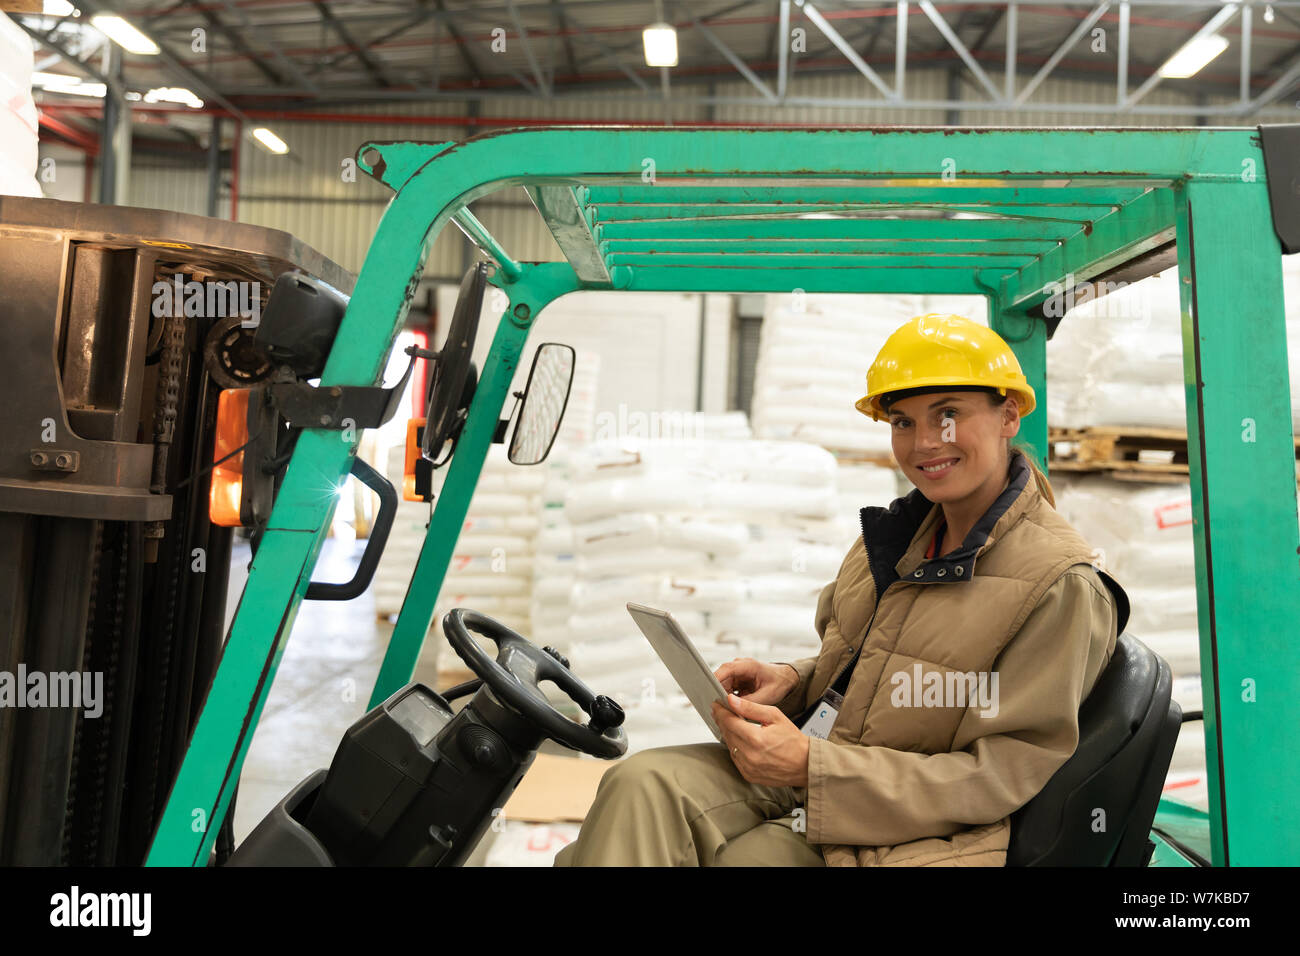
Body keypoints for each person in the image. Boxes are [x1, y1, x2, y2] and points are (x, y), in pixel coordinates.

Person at [553, 313, 1130, 867]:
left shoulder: (1060, 585)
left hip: (915, 829)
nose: (925, 442)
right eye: (904, 422)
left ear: (1008, 416)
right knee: (638, 785)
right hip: (822, 770)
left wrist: (815, 767)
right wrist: (795, 681)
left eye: (947, 415)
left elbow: (1000, 775)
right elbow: (877, 667)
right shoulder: (895, 540)